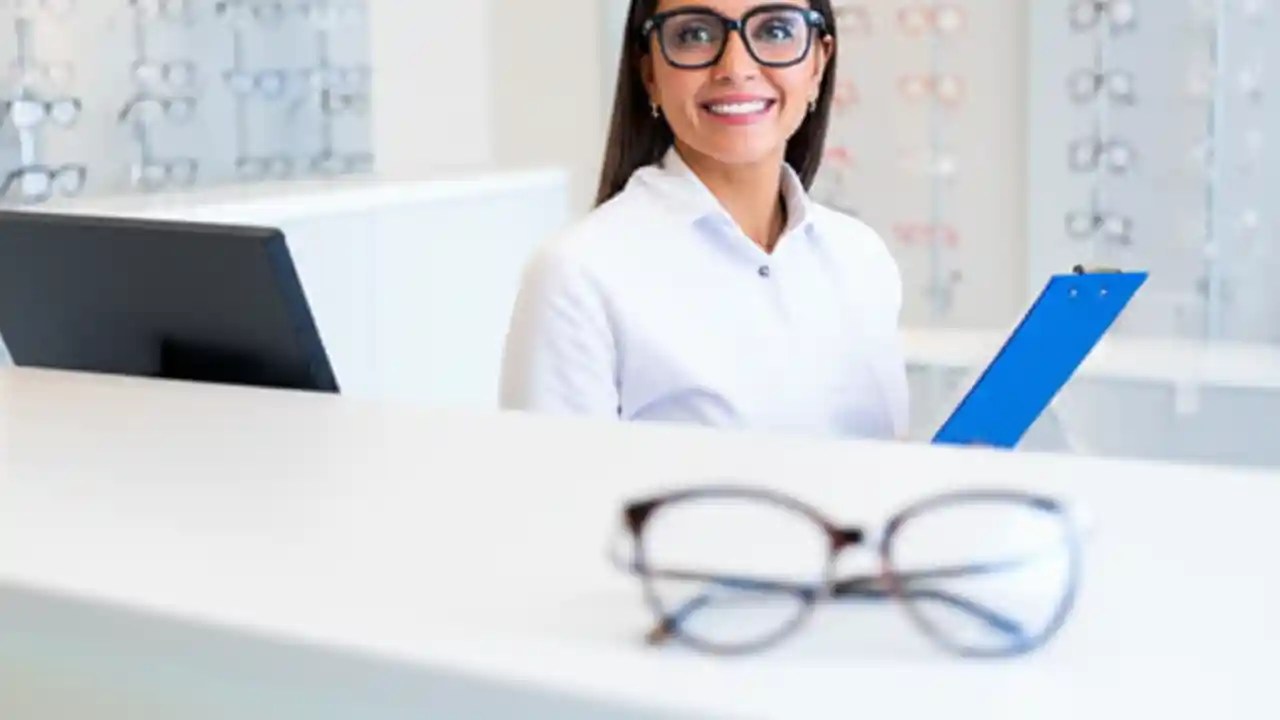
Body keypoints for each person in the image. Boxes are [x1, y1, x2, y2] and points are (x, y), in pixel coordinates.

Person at [499, 0, 909, 440]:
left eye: (773, 31)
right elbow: (556, 499)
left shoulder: (861, 257)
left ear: (818, 63)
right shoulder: (579, 275)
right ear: (650, 74)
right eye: (694, 34)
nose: (736, 66)